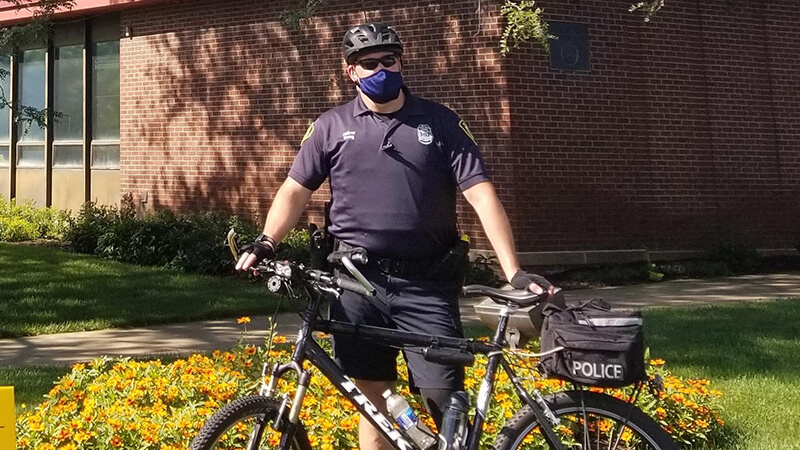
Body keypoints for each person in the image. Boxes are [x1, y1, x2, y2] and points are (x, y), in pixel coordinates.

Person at [236, 22, 556, 450]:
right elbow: (295, 191)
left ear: (401, 62)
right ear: (351, 72)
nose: (381, 69)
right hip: (354, 283)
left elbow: (482, 196)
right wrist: (267, 241)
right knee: (373, 398)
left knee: (442, 400)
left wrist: (512, 270)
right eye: (369, 63)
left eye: (389, 60)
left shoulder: (441, 124)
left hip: (426, 283)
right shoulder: (330, 127)